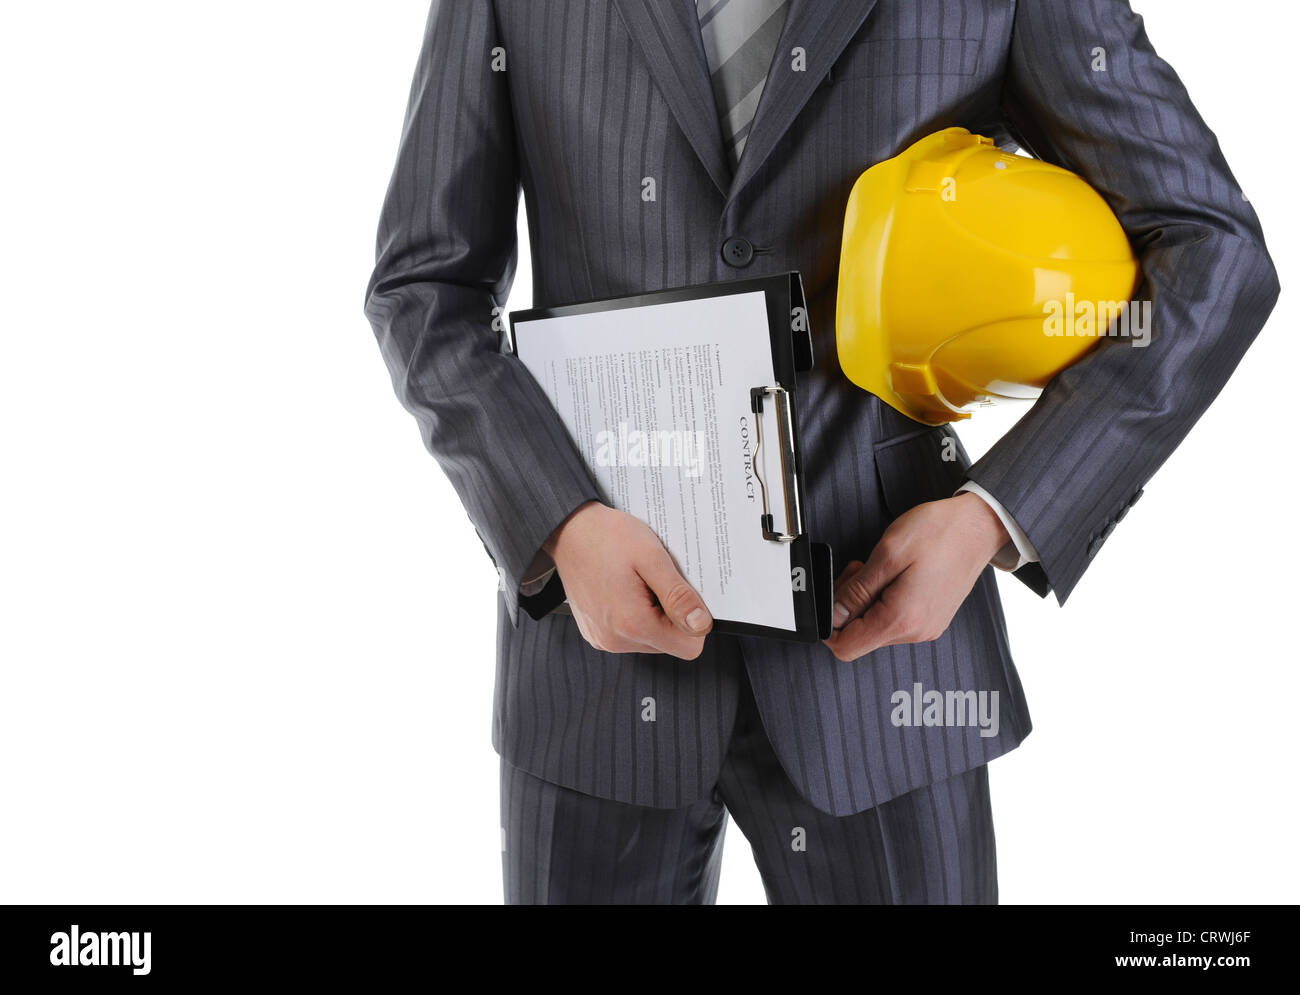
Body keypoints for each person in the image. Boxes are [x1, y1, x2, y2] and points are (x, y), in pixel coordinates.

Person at [364, 0, 1278, 904]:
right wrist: (555, 521)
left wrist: (996, 516)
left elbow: (1211, 248)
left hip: (883, 662)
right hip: (593, 669)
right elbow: (424, 285)